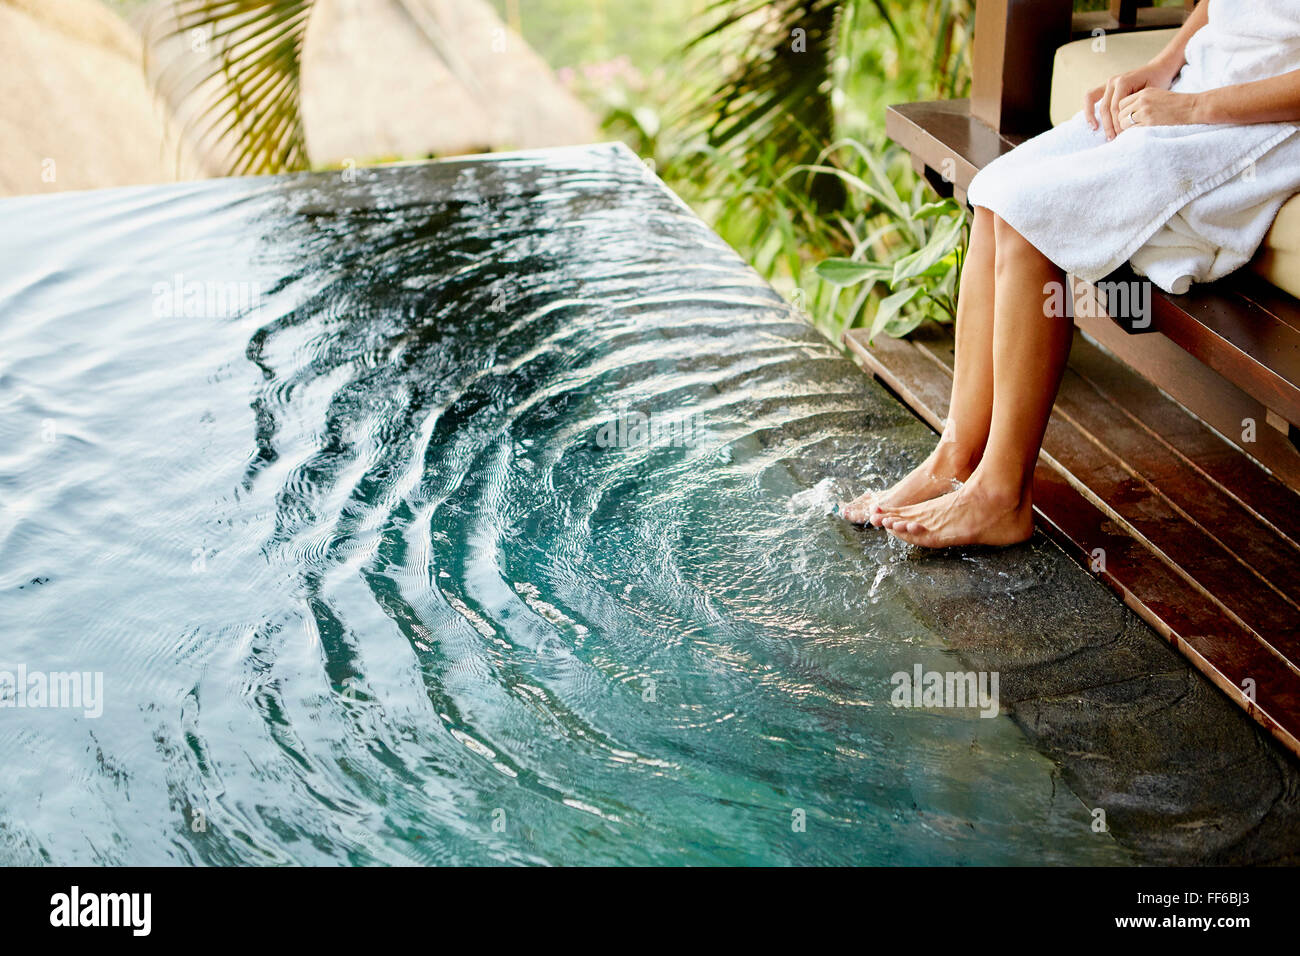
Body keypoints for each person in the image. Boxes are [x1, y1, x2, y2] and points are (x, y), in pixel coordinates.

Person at [841, 0, 1300, 548]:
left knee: (1033, 212)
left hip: (1256, 129)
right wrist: (1162, 64)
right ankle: (957, 457)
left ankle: (1001, 496)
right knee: (994, 193)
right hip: (1197, 84)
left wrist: (1190, 107)